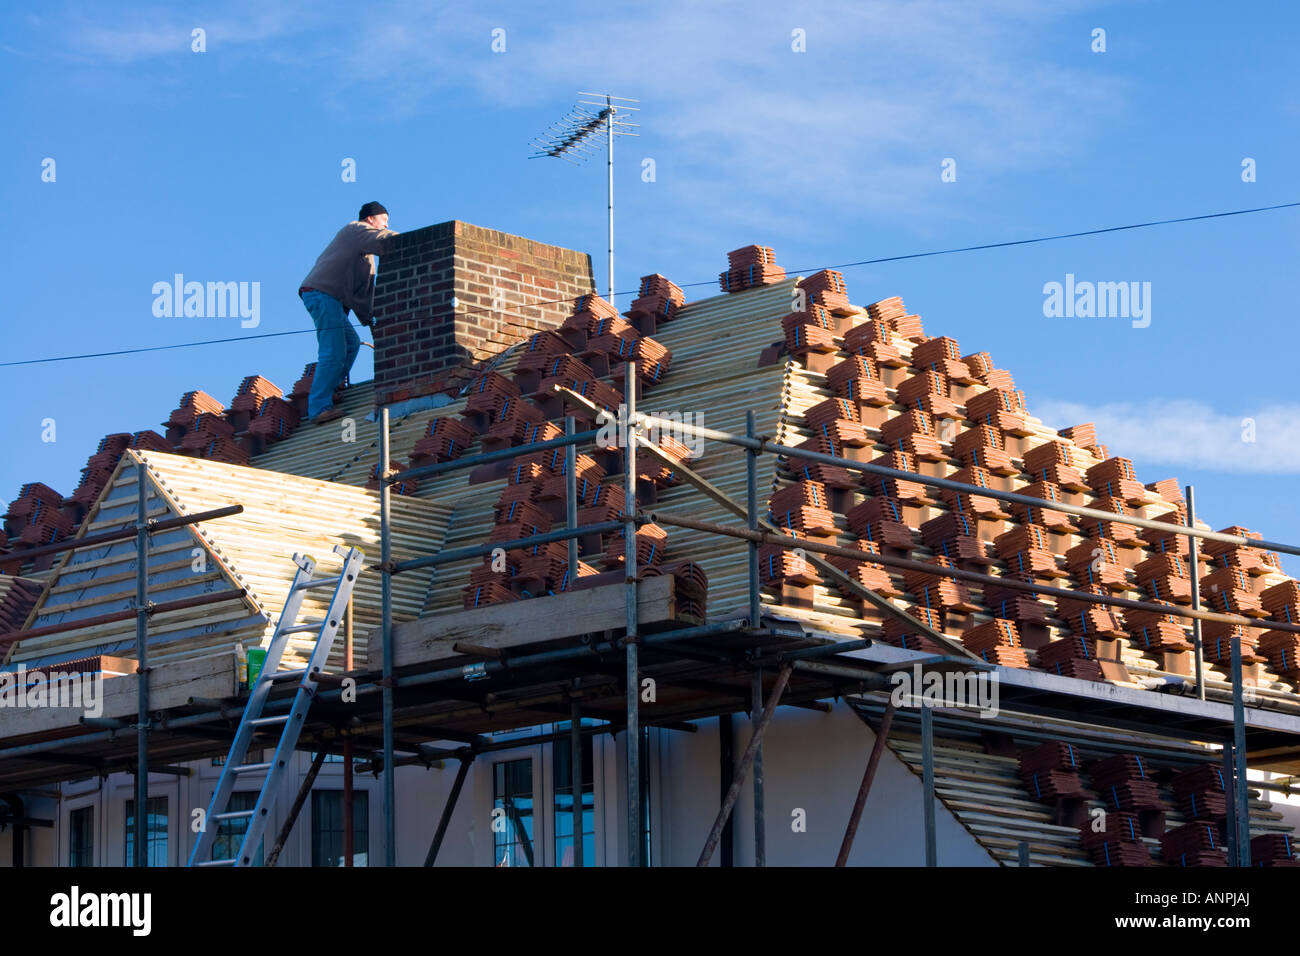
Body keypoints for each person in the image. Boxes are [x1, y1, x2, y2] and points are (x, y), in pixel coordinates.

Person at [298, 202, 399, 422]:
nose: (386, 225)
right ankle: (319, 408)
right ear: (371, 219)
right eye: (384, 220)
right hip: (323, 294)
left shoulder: (362, 254)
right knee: (333, 350)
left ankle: (330, 389)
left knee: (351, 344)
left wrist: (372, 321)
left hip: (326, 297)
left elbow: (363, 295)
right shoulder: (356, 229)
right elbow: (382, 240)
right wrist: (412, 240)